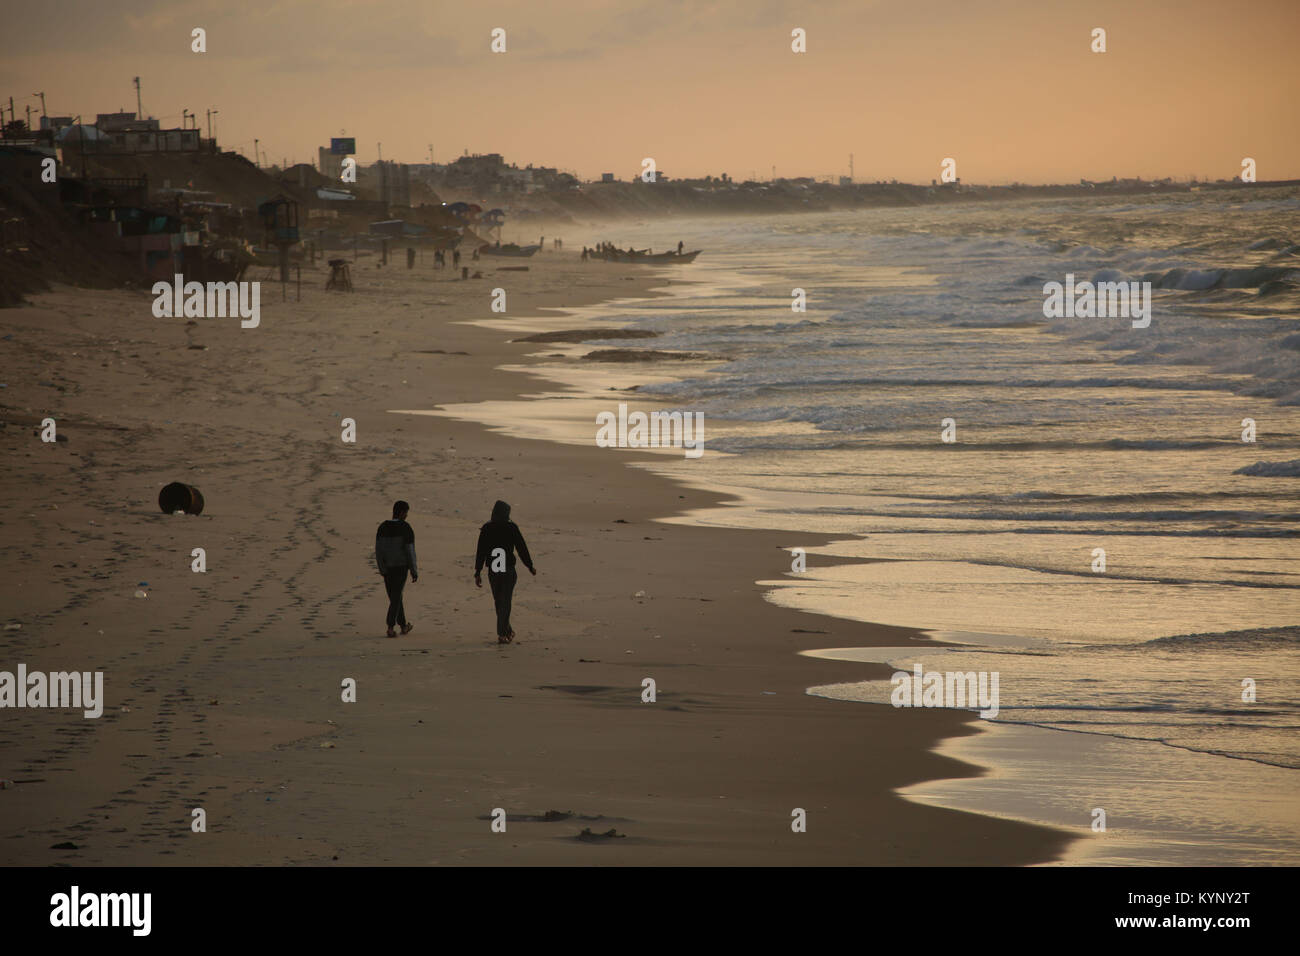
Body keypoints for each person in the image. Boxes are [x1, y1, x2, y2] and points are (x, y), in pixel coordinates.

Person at [474, 500, 535, 643]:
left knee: (499, 601)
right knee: (505, 601)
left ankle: (506, 631)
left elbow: (481, 551)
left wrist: (478, 571)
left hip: (494, 569)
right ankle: (503, 633)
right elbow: (521, 548)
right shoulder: (511, 528)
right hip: (507, 568)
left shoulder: (487, 528)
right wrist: (529, 565)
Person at [375, 500, 418, 638]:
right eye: (406, 513)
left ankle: (404, 625)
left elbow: (378, 550)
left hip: (387, 568)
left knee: (395, 596)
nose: (406, 516)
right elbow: (410, 551)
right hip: (400, 567)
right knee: (396, 597)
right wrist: (413, 570)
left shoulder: (382, 527)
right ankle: (390, 626)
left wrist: (382, 568)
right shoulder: (405, 528)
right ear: (401, 512)